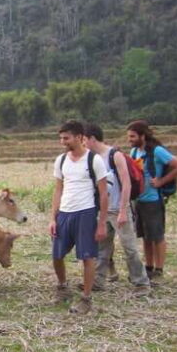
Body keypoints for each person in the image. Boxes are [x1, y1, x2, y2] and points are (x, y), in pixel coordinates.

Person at [83, 123, 151, 296]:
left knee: (129, 247)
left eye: (84, 140)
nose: (82, 144)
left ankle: (141, 283)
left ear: (92, 138)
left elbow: (126, 183)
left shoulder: (115, 155)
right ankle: (98, 281)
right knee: (101, 247)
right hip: (103, 210)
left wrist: (122, 209)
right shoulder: (92, 157)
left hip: (118, 209)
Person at [49, 120, 108, 314]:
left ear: (79, 137)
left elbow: (104, 193)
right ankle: (63, 287)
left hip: (86, 213)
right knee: (57, 254)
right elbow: (58, 190)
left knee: (87, 257)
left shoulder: (94, 160)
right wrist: (53, 218)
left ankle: (86, 299)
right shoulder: (61, 160)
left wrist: (101, 224)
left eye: (66, 138)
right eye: (61, 138)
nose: (62, 142)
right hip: (64, 213)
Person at [126, 120, 177, 282]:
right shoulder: (134, 152)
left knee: (157, 236)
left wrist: (161, 181)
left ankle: (159, 270)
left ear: (142, 136)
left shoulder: (157, 151)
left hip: (153, 200)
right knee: (145, 236)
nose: (129, 140)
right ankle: (149, 267)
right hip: (139, 200)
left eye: (132, 136)